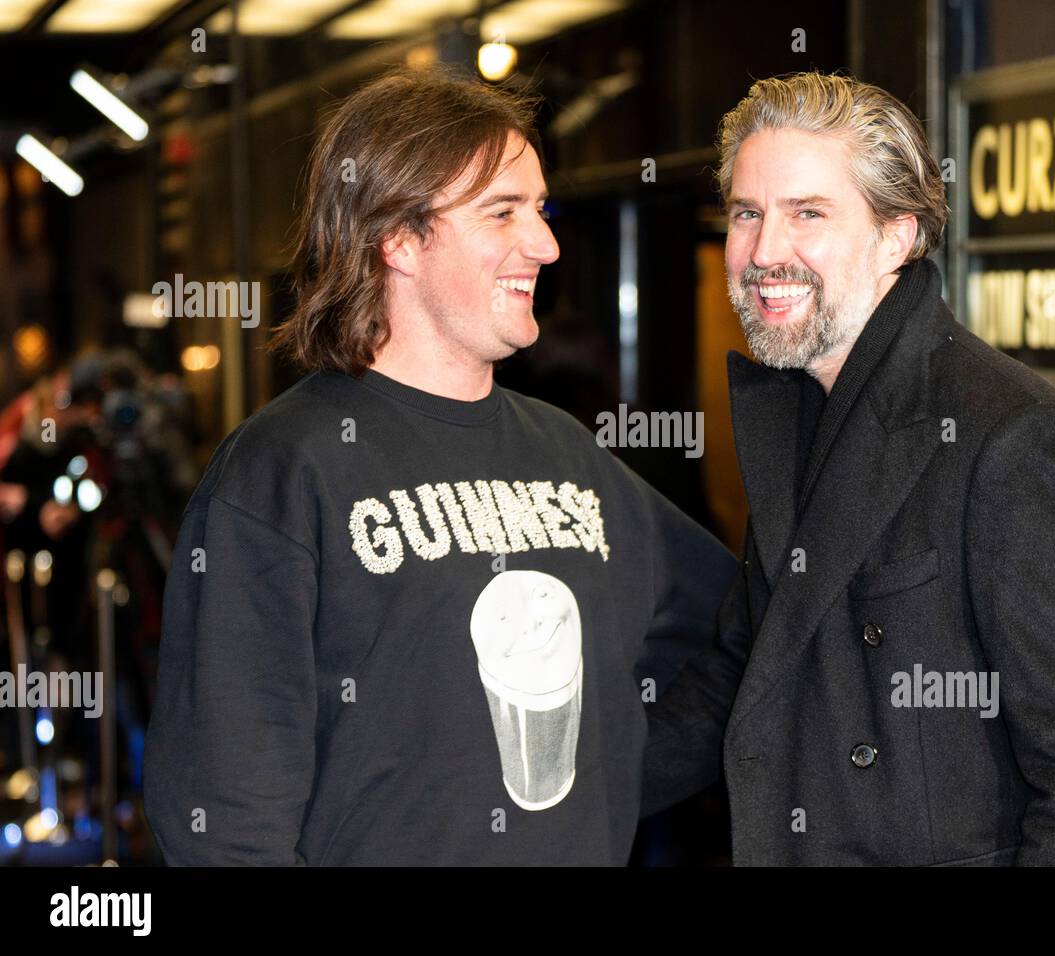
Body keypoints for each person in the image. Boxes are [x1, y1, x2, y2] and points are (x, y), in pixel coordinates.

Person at [143, 68, 735, 865]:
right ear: (398, 237)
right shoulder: (281, 474)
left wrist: (609, 775)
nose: (546, 243)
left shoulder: (569, 458)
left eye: (541, 209)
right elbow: (227, 818)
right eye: (503, 212)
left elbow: (743, 634)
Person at [642, 72, 1055, 866]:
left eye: (808, 213)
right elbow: (747, 670)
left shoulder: (1012, 439)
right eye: (748, 213)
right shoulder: (800, 408)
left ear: (897, 236)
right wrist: (544, 794)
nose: (765, 250)